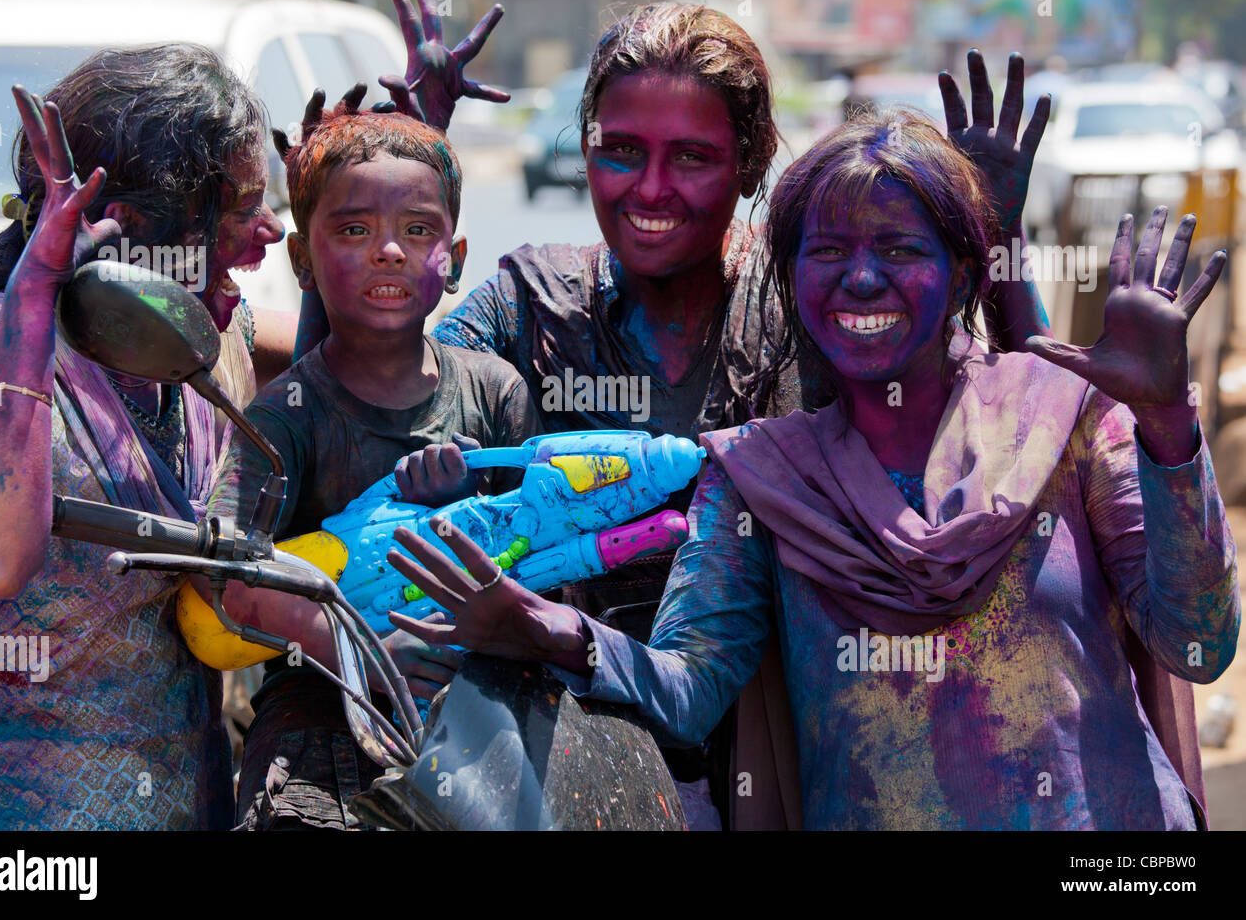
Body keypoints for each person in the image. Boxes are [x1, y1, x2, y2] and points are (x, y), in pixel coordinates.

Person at [385, 108, 1239, 830]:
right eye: (827, 252)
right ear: (791, 282)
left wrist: (1168, 424)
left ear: (966, 271)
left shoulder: (1068, 420)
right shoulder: (764, 478)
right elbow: (690, 688)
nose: (861, 278)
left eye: (901, 249)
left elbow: (1199, 644)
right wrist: (545, 629)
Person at [0, 44, 288, 829]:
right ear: (132, 226)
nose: (268, 230)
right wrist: (34, 291)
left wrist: (406, 155)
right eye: (240, 207)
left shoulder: (186, 341)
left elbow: (341, 360)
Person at [203, 97, 543, 830]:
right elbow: (224, 575)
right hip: (319, 722)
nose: (389, 251)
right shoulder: (287, 416)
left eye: (417, 230)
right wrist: (366, 651)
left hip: (482, 707)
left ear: (453, 262)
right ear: (302, 258)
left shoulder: (493, 392)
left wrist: (467, 518)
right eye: (354, 229)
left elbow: (553, 560)